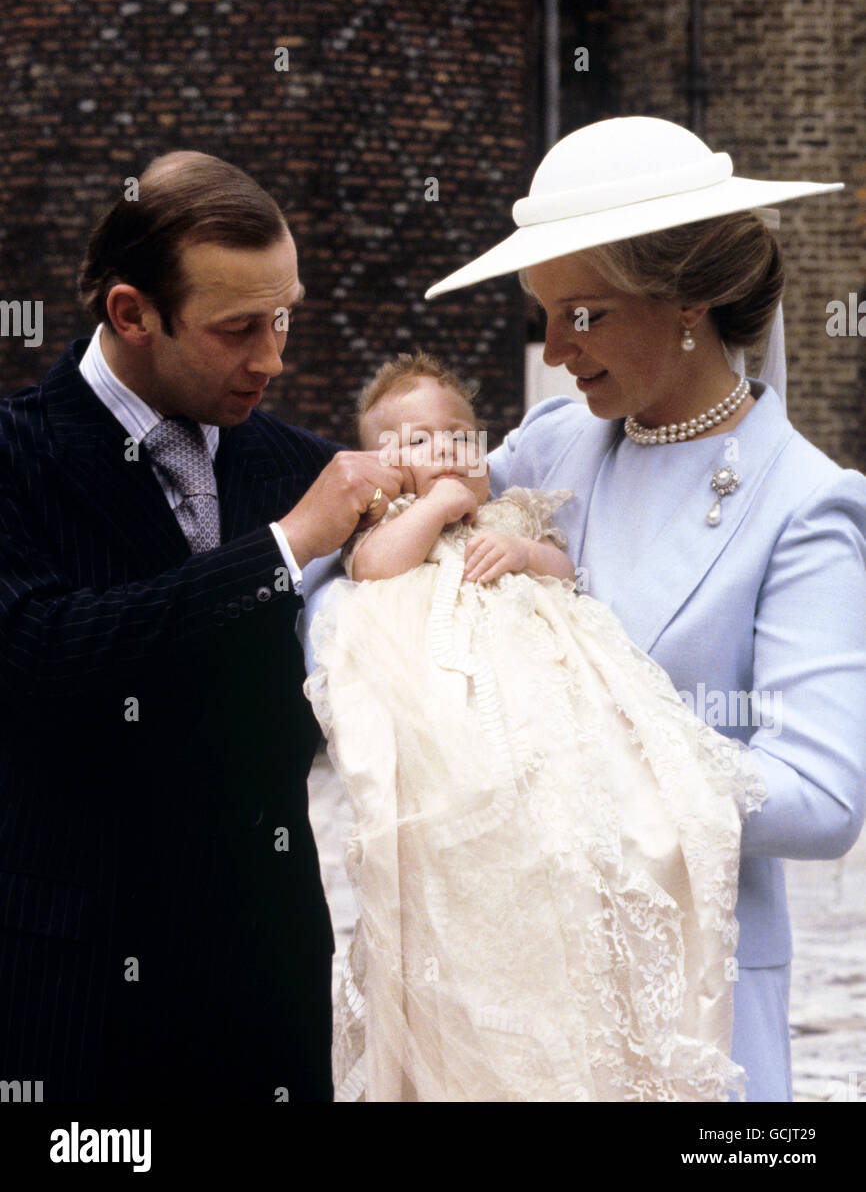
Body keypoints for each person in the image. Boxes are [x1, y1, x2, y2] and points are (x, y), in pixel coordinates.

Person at [423, 115, 866, 1101]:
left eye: (578, 314)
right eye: (541, 313)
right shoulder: (550, 445)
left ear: (684, 304)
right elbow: (412, 564)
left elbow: (827, 799)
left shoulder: (805, 502)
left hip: (692, 1000)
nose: (551, 348)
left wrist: (603, 748)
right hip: (523, 979)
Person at [0, 150, 405, 1101]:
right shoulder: (15, 458)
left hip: (265, 987)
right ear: (131, 313)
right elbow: (45, 653)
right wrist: (283, 548)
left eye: (283, 317)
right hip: (75, 994)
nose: (273, 356)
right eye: (239, 329)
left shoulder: (297, 463)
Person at [304, 350, 767, 1103]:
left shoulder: (510, 512)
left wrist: (519, 549)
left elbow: (564, 572)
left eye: (459, 434)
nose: (447, 451)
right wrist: (433, 508)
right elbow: (375, 570)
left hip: (541, 695)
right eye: (418, 441)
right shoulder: (388, 522)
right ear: (380, 463)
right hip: (444, 708)